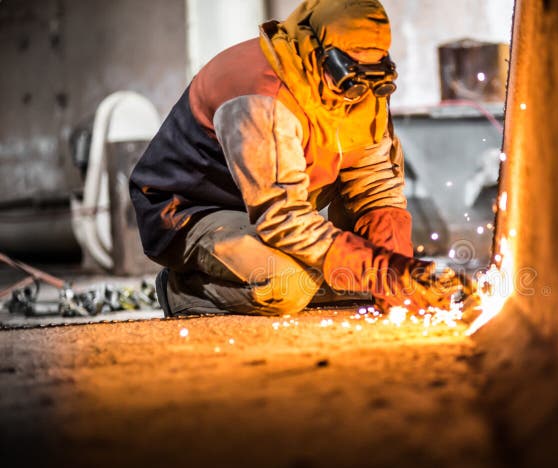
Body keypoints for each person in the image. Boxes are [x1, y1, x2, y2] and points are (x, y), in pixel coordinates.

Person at [130, 0, 463, 317]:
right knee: (287, 285)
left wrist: (395, 272)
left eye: (372, 73)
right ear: (315, 51)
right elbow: (281, 216)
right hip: (189, 212)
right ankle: (182, 291)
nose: (357, 91)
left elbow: (376, 189)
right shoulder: (260, 95)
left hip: (273, 204)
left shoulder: (364, 83)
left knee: (370, 275)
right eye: (348, 72)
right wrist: (375, 269)